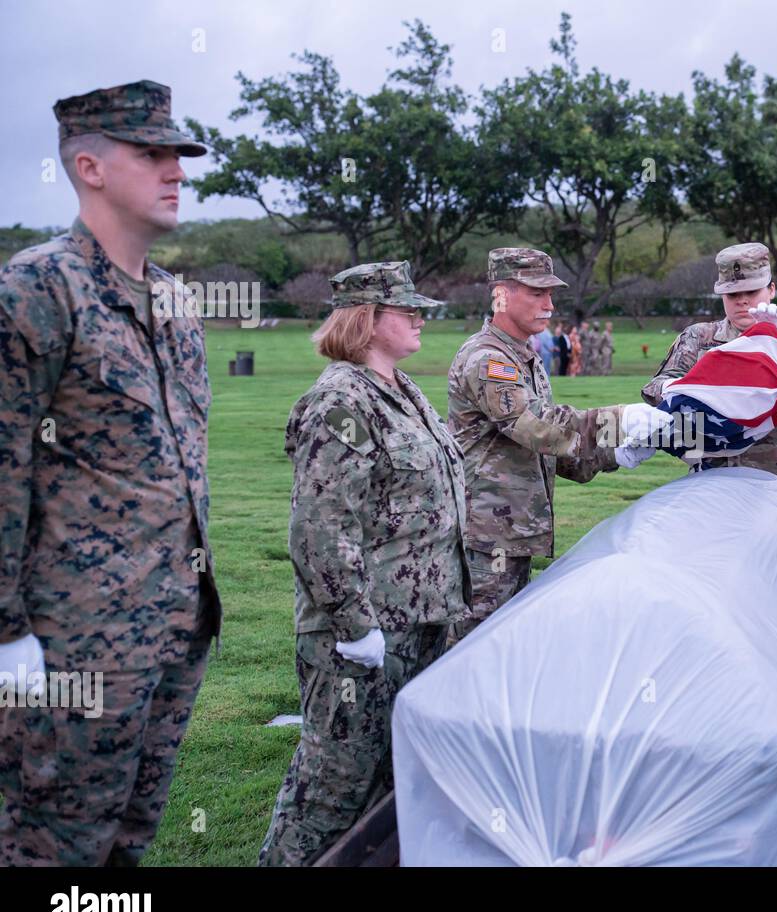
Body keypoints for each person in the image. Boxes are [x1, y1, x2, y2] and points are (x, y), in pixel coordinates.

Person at [0, 80, 221, 866]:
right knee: (55, 848)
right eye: (151, 153)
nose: (176, 172)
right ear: (90, 167)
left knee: (129, 842)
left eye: (178, 155)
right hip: (72, 644)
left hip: (171, 626)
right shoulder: (37, 289)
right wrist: (5, 634)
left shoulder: (174, 301)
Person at [260, 261, 472, 866]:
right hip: (363, 635)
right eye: (407, 309)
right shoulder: (339, 401)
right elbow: (320, 527)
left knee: (388, 787)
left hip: (419, 623)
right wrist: (355, 626)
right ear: (367, 319)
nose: (420, 318)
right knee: (330, 789)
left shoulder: (401, 390)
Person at [446, 248, 668, 640]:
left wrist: (610, 454)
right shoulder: (487, 358)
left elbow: (546, 449)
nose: (549, 305)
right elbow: (534, 426)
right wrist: (618, 421)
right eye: (536, 293)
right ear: (501, 296)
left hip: (512, 532)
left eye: (551, 294)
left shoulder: (522, 357)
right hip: (486, 539)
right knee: (473, 649)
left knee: (504, 648)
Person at [642, 242, 777, 499]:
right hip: (711, 473)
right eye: (732, 295)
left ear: (771, 290)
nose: (743, 301)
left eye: (751, 291)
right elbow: (655, 389)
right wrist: (684, 389)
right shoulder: (699, 337)